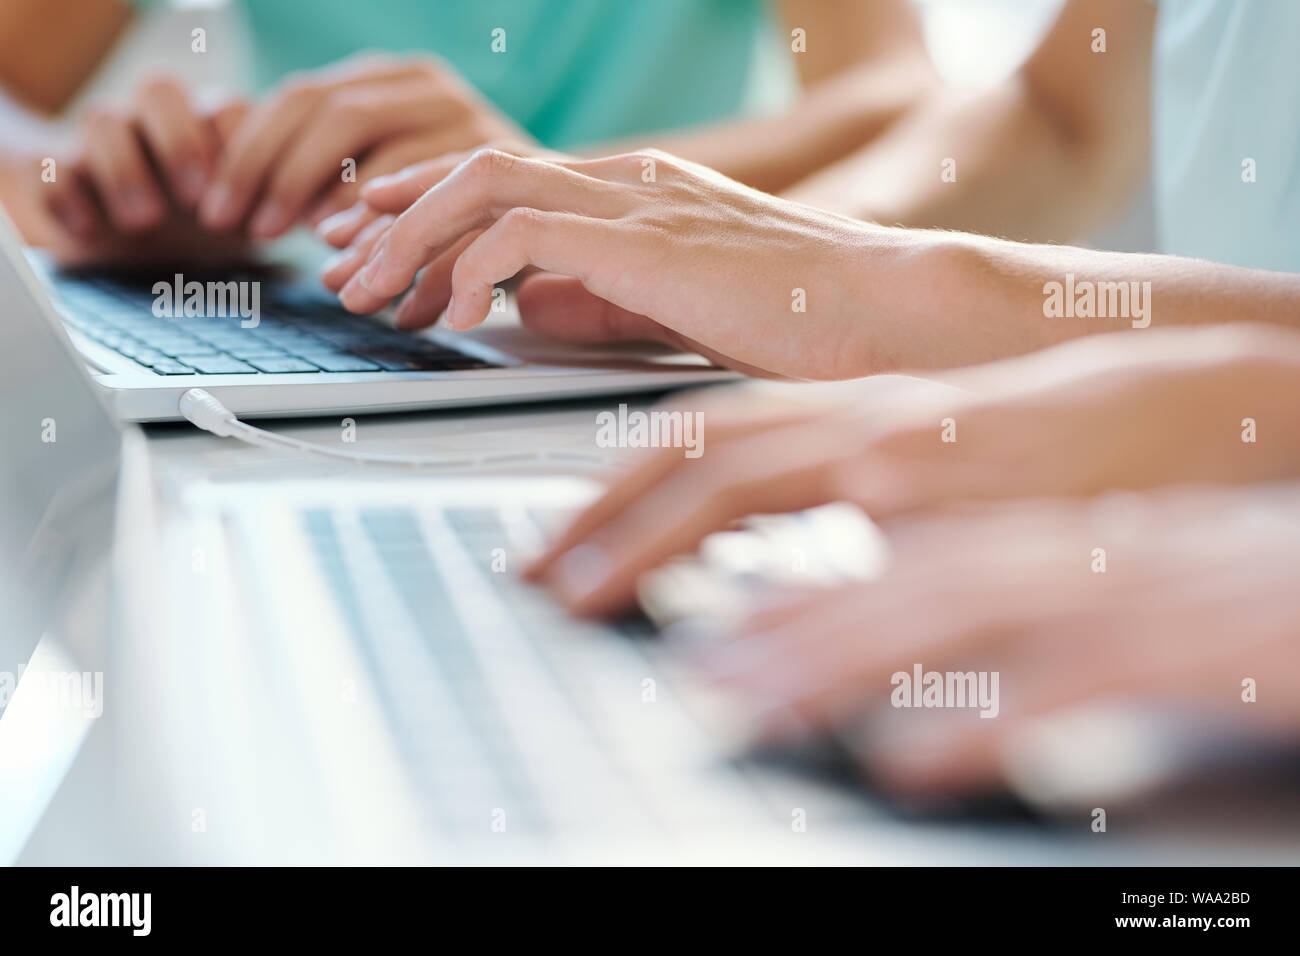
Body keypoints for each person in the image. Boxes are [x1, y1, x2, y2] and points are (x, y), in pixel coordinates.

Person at [0, 0, 937, 264]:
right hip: (317, 313)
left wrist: (575, 186)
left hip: (661, 350)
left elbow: (900, 98)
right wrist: (93, 188)